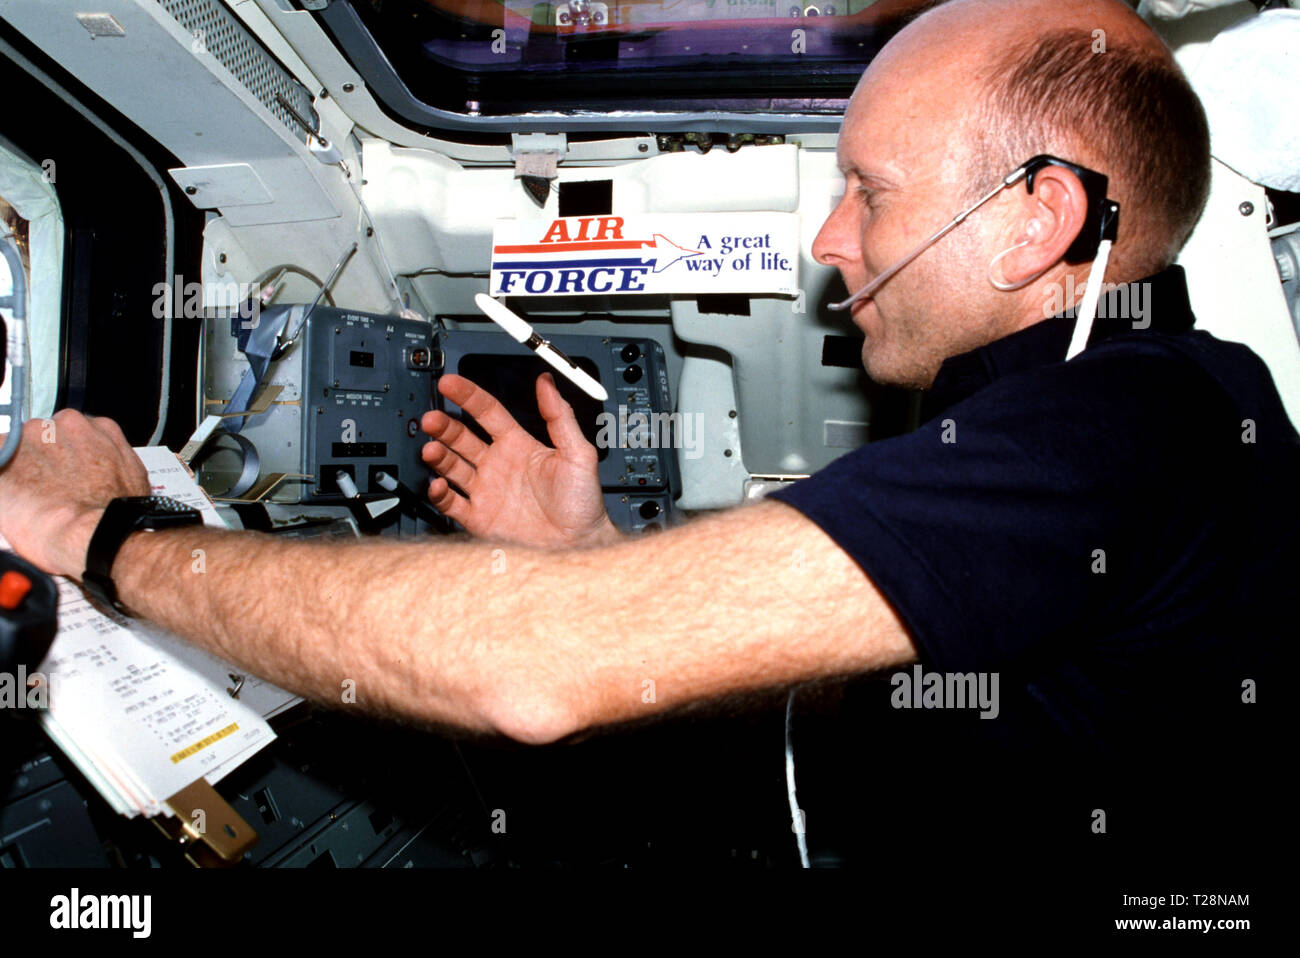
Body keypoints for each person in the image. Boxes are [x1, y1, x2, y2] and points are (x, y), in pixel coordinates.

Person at [0, 0, 1290, 857]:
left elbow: (532, 671)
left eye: (869, 191)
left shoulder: (1129, 419)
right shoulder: (1126, 413)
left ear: (1034, 221)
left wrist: (107, 530)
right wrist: (592, 549)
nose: (831, 240)